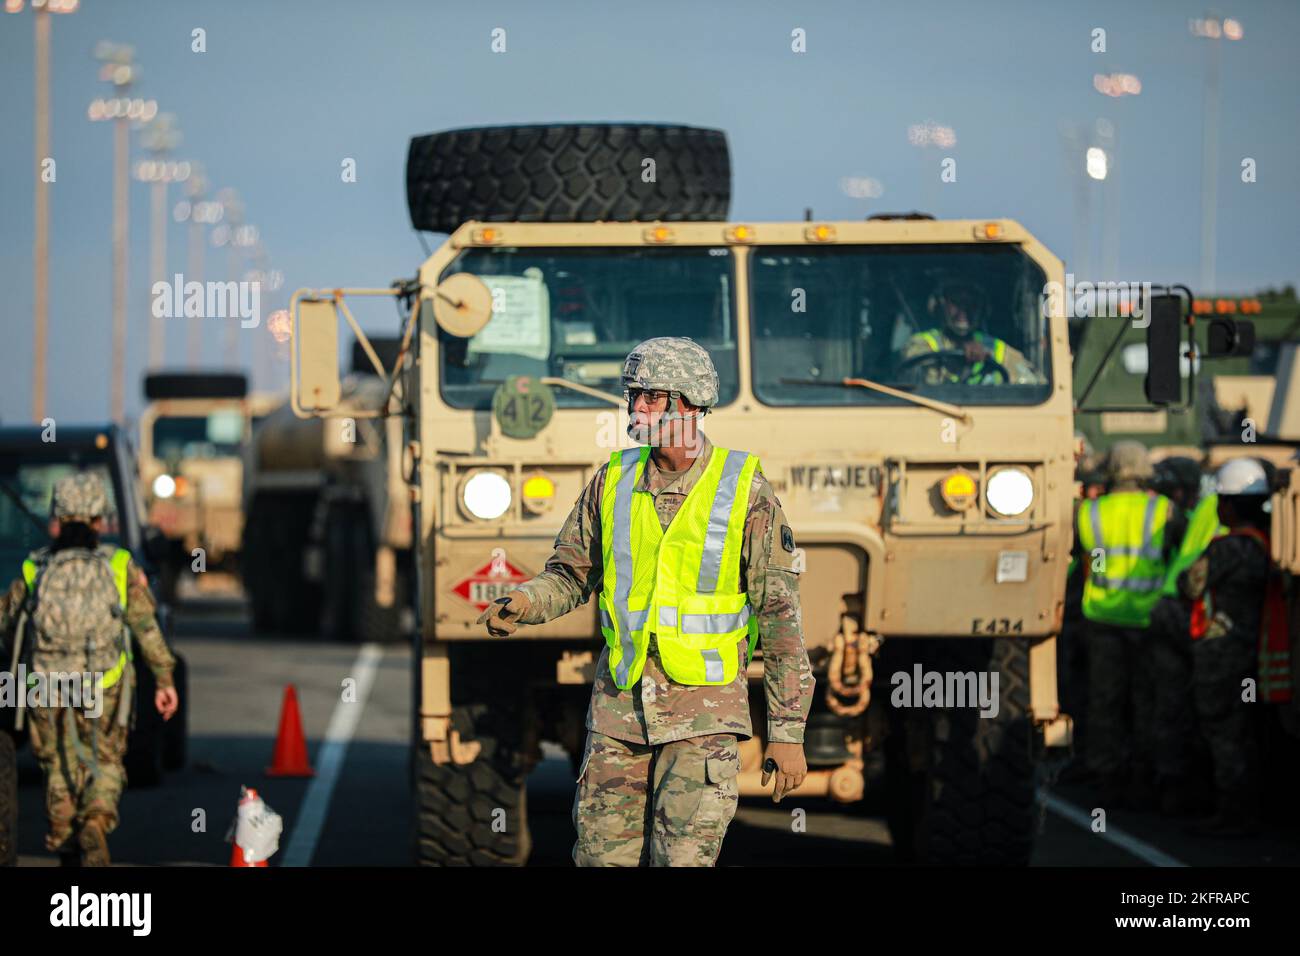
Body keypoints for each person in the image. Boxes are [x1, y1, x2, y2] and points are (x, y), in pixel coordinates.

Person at [477, 336, 814, 866]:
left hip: (703, 722)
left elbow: (780, 621)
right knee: (598, 859)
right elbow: (570, 574)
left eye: (650, 397)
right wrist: (524, 602)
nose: (635, 408)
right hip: (618, 716)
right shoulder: (612, 480)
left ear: (688, 402)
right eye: (631, 395)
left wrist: (787, 733)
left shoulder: (745, 491)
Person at [0, 473, 178, 865]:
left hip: (46, 684)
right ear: (101, 520)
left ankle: (66, 836)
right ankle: (95, 821)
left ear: (56, 519)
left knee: (58, 765)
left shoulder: (34, 568)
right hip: (105, 683)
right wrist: (164, 679)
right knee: (106, 760)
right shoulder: (118, 565)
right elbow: (146, 627)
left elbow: (9, 626)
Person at [1073, 441, 1183, 808]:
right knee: (1147, 698)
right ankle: (1147, 773)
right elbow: (1172, 558)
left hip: (1103, 616)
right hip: (1148, 618)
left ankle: (1107, 775)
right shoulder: (1163, 511)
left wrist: (1108, 583)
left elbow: (1096, 561)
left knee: (1105, 699)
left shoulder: (1090, 513)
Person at [1178, 457, 1278, 836]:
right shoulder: (1271, 542)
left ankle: (1232, 812)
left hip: (1223, 654)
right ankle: (1254, 806)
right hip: (1262, 650)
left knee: (1223, 731)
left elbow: (1190, 585)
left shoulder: (1228, 548)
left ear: (1230, 506)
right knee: (1250, 731)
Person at [1147, 457, 1221, 815]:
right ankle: (1199, 792)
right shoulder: (1216, 510)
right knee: (1207, 704)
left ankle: (1168, 788)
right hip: (1187, 610)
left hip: (1157, 607)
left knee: (1168, 702)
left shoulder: (1192, 510)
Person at [899, 278, 1041, 385]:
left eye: (971, 303)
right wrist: (957, 356)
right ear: (939, 306)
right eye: (956, 302)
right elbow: (910, 371)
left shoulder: (997, 349)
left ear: (982, 309)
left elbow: (1034, 385)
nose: (964, 310)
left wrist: (988, 357)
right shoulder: (921, 343)